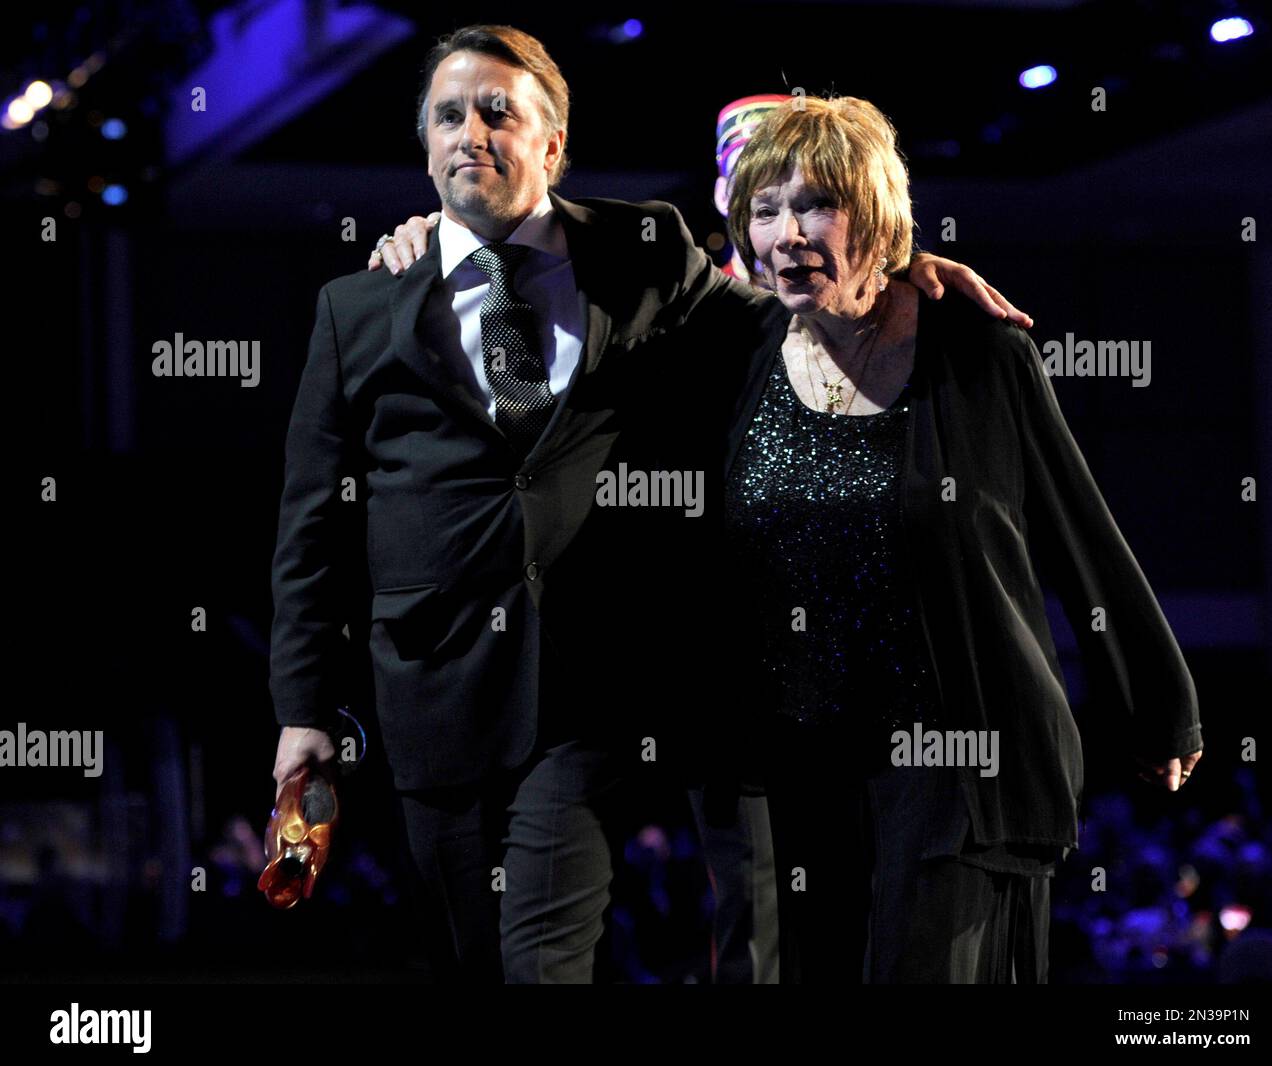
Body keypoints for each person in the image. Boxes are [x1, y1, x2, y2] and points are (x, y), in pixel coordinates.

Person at [277, 23, 1023, 984]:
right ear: (425, 143)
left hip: (587, 695)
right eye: (449, 116)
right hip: (431, 694)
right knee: (468, 961)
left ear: (552, 143)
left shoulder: (644, 250)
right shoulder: (357, 308)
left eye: (498, 112)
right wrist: (303, 708)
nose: (471, 133)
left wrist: (895, 276)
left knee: (545, 963)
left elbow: (787, 321)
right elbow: (312, 530)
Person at [715, 94, 1203, 982]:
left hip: (960, 753)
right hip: (806, 766)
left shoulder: (977, 351)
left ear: (877, 218)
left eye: (816, 205)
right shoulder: (740, 356)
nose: (787, 234)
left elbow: (1076, 525)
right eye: (766, 209)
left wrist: (1155, 697)